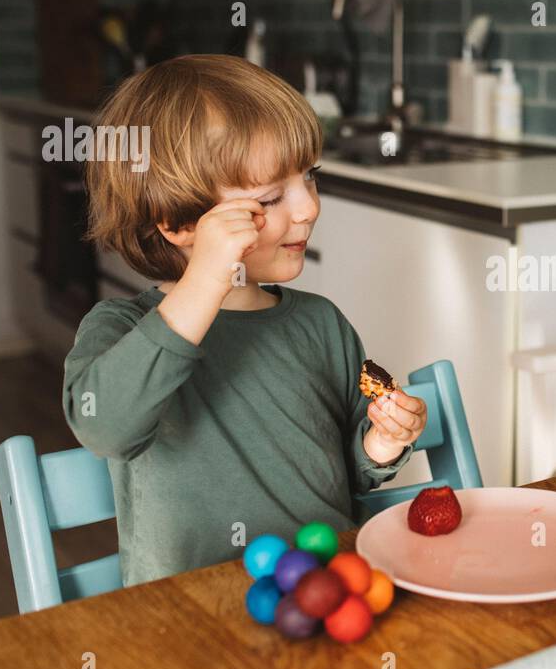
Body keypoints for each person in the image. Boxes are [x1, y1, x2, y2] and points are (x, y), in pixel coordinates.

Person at [64, 54, 427, 585]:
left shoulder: (321, 325)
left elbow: (344, 474)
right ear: (180, 223)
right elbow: (105, 428)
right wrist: (207, 278)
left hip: (329, 591)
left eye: (310, 178)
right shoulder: (119, 328)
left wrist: (379, 444)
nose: (308, 208)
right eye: (272, 197)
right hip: (192, 617)